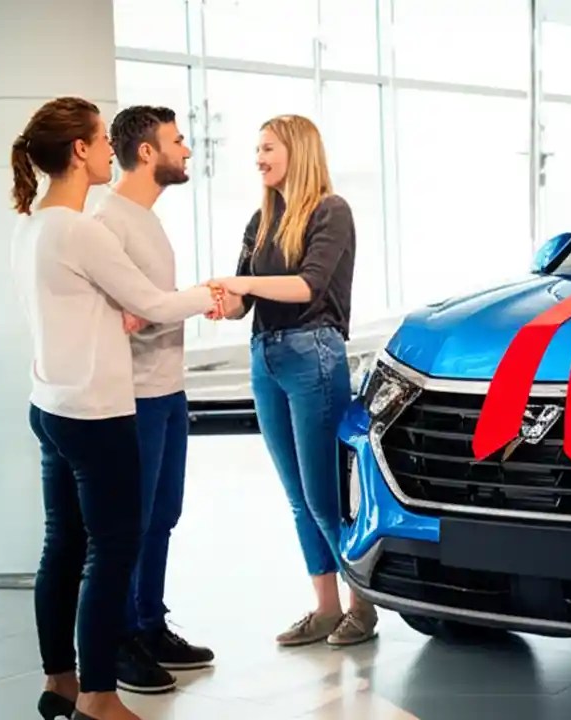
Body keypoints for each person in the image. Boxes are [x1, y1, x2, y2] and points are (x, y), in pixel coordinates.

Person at [9, 96, 221, 720]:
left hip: (49, 404)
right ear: (79, 151)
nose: (109, 150)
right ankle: (101, 696)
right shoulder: (79, 230)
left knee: (61, 549)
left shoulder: (31, 226)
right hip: (95, 415)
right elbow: (152, 304)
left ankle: (61, 683)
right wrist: (211, 294)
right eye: (102, 140)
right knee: (111, 551)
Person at [208, 114, 376, 647]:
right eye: (256, 149)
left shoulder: (331, 211)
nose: (258, 158)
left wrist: (244, 282)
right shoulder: (260, 222)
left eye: (267, 148)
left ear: (297, 151)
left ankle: (363, 607)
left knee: (326, 496)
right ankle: (325, 609)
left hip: (314, 356)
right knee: (298, 496)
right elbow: (242, 304)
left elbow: (307, 287)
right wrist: (223, 299)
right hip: (266, 357)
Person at [92, 105, 216, 695]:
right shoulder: (105, 216)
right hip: (133, 397)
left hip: (169, 391)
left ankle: (149, 624)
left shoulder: (146, 217)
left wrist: (161, 305)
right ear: (147, 152)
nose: (187, 150)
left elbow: (149, 305)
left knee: (162, 518)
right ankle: (120, 641)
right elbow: (117, 309)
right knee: (131, 524)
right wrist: (184, 300)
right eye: (178, 140)